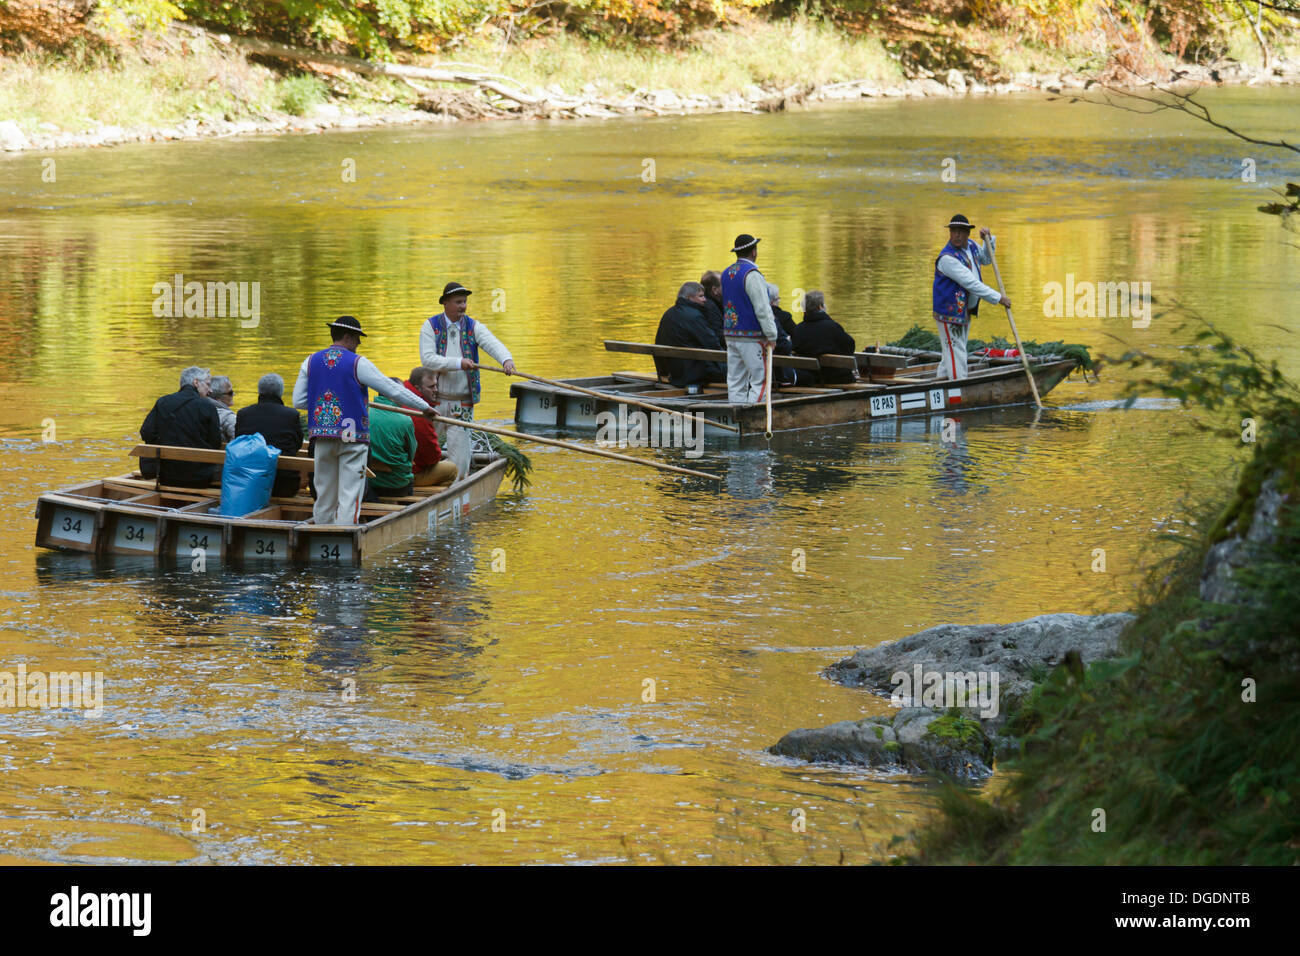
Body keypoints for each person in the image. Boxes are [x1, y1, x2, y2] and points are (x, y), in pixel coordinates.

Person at [293, 315, 436, 526]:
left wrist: (325, 406)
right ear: (349, 337)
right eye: (358, 338)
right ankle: (344, 537)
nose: (359, 344)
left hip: (322, 437)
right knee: (350, 494)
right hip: (353, 438)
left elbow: (299, 400)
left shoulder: (310, 361)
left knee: (324, 493)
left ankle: (322, 532)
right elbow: (393, 390)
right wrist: (424, 407)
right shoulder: (358, 363)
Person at [419, 281, 517, 479]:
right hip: (434, 401)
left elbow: (492, 343)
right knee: (425, 450)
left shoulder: (474, 326)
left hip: (462, 403)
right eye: (458, 302)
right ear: (445, 303)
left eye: (464, 302)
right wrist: (458, 363)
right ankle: (423, 485)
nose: (463, 306)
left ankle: (456, 490)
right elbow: (427, 359)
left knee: (460, 456)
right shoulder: (430, 326)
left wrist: (506, 359)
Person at [933, 214, 1007, 380]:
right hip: (949, 313)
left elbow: (987, 259)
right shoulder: (947, 259)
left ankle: (941, 382)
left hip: (964, 310)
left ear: (968, 233)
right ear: (950, 233)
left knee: (952, 350)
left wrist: (988, 240)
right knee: (956, 350)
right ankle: (959, 387)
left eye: (961, 231)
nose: (957, 235)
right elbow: (971, 283)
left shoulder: (971, 246)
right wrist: (998, 298)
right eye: (954, 231)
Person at [140, 366, 222, 487]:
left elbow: (146, 432)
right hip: (200, 478)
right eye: (208, 385)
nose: (210, 391)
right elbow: (216, 442)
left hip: (165, 476)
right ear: (196, 382)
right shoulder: (207, 406)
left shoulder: (163, 402)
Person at [720, 234, 778, 404]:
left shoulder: (726, 273)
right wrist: (772, 335)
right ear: (754, 251)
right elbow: (763, 308)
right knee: (761, 380)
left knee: (736, 380)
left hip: (731, 334)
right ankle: (753, 416)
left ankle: (736, 414)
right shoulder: (752, 274)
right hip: (752, 336)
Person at [235, 372, 304, 499]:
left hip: (249, 481)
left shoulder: (243, 414)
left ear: (259, 391)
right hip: (282, 483)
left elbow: (238, 442)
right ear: (281, 392)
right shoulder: (291, 415)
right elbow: (297, 444)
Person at [653, 281, 726, 390]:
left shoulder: (669, 313)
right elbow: (712, 344)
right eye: (701, 296)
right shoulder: (695, 316)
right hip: (691, 373)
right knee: (739, 368)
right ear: (688, 298)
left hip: (671, 370)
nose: (705, 300)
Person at [366, 378, 420, 499]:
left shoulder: (364, 413)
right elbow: (411, 454)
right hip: (397, 486)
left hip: (369, 483)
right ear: (395, 394)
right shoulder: (405, 420)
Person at [404, 367, 459, 487]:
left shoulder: (401, 395)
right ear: (418, 388)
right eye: (431, 387)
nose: (436, 390)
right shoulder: (420, 414)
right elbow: (432, 458)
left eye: (436, 385)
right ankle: (434, 500)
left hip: (385, 472)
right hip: (408, 474)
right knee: (451, 469)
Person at [792, 291, 857, 385]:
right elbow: (850, 345)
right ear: (820, 307)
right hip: (836, 377)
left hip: (811, 377)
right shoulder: (832, 327)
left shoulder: (798, 329)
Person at [208, 375, 237, 442]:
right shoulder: (229, 417)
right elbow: (238, 444)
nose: (234, 394)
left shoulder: (198, 410)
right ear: (218, 397)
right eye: (230, 393)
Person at [699, 271, 726, 339]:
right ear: (714, 290)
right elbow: (718, 334)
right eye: (725, 285)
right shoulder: (709, 307)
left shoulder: (715, 303)